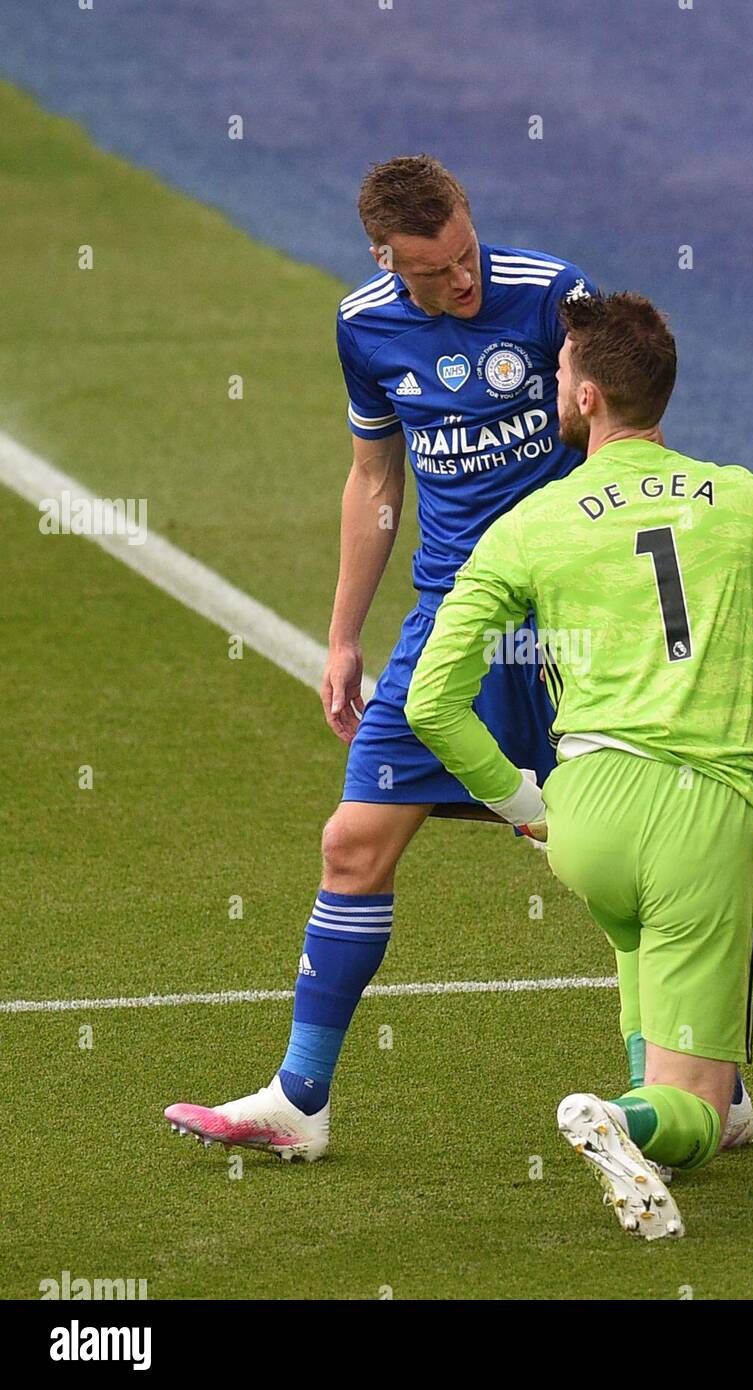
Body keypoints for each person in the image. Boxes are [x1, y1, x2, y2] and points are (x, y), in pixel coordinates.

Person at [165, 156, 597, 1159]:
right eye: (437, 272)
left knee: (617, 860)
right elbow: (374, 478)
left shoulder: (551, 297)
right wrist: (344, 633)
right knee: (352, 843)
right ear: (384, 257)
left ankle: (705, 1086)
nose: (464, 281)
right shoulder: (364, 324)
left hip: (566, 623)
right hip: (448, 627)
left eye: (465, 252)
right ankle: (299, 1098)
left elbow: (619, 438)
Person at [404, 291, 753, 1238]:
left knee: (641, 948)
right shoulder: (751, 501)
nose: (555, 384)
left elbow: (430, 700)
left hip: (587, 815)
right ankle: (629, 1119)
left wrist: (525, 805)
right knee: (688, 1116)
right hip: (701, 815)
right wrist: (742, 760)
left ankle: (665, 1096)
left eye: (562, 372)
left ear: (592, 397)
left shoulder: (531, 522)